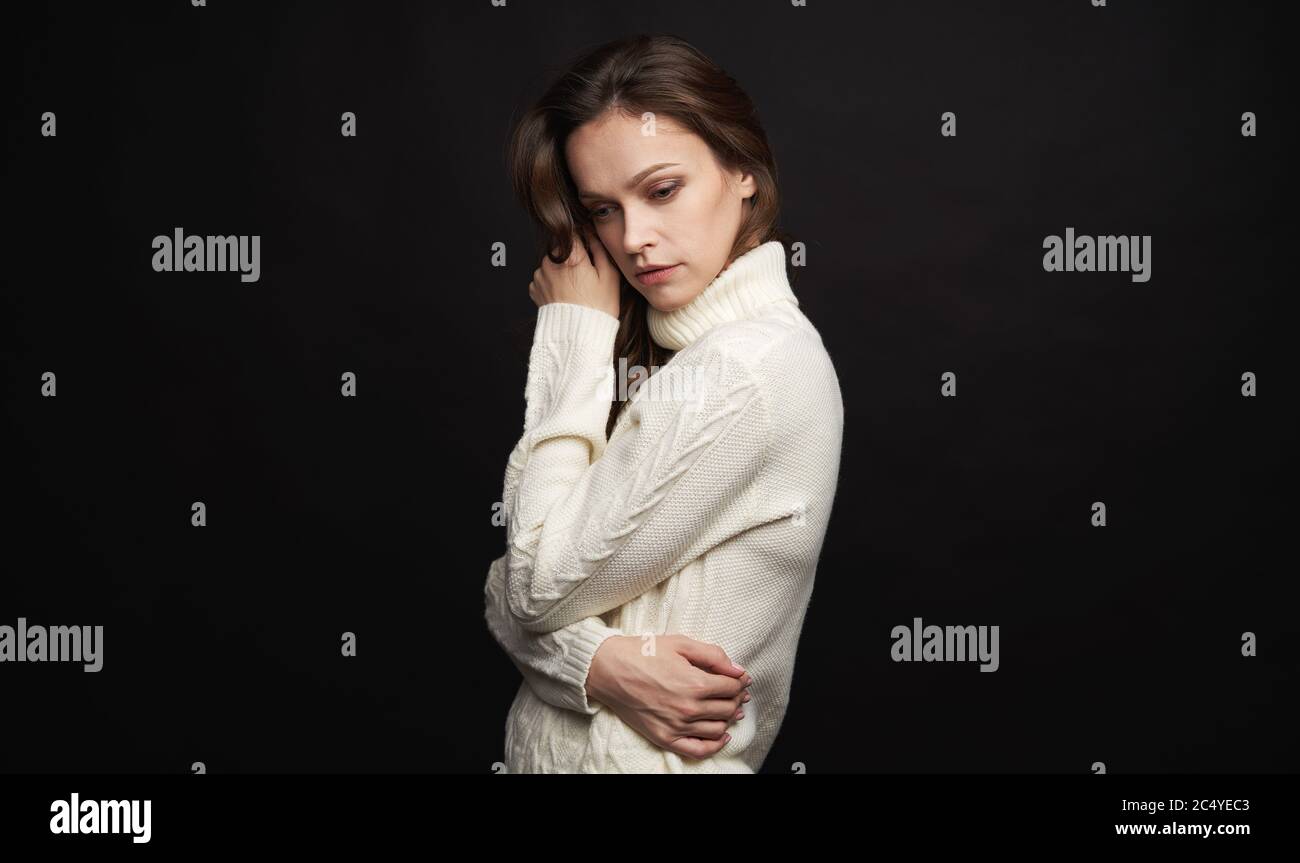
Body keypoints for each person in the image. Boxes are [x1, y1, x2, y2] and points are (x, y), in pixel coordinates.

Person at [484, 34, 844, 773]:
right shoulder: (686, 358)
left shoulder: (746, 371)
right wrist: (602, 661)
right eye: (603, 210)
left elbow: (524, 588)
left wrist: (574, 331)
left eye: (662, 190)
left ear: (742, 169)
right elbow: (516, 585)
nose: (635, 240)